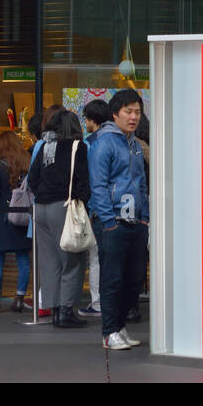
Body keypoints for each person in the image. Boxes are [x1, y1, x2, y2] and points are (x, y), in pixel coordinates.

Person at [88, 88, 149, 351]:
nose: (133, 116)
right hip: (111, 220)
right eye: (128, 111)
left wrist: (145, 217)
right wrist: (108, 221)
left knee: (135, 278)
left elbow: (143, 184)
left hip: (136, 221)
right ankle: (109, 331)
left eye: (137, 112)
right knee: (112, 278)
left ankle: (119, 326)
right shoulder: (103, 142)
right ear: (115, 114)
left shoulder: (135, 144)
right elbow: (98, 186)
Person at [27, 109, 91, 328]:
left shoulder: (45, 147)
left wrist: (42, 193)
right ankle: (66, 312)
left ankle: (54, 310)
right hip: (64, 207)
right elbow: (82, 181)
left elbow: (32, 178)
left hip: (41, 208)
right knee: (73, 260)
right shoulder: (77, 147)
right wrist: (82, 201)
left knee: (49, 262)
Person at [0, 130, 33, 313]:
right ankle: (19, 299)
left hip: (2, 215)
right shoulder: (28, 163)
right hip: (23, 216)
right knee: (23, 259)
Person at [78, 100, 112, 319]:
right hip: (117, 207)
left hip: (97, 209)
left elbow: (89, 180)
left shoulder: (90, 144)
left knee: (96, 258)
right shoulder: (118, 140)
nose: (85, 122)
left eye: (86, 118)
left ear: (92, 119)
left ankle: (98, 303)